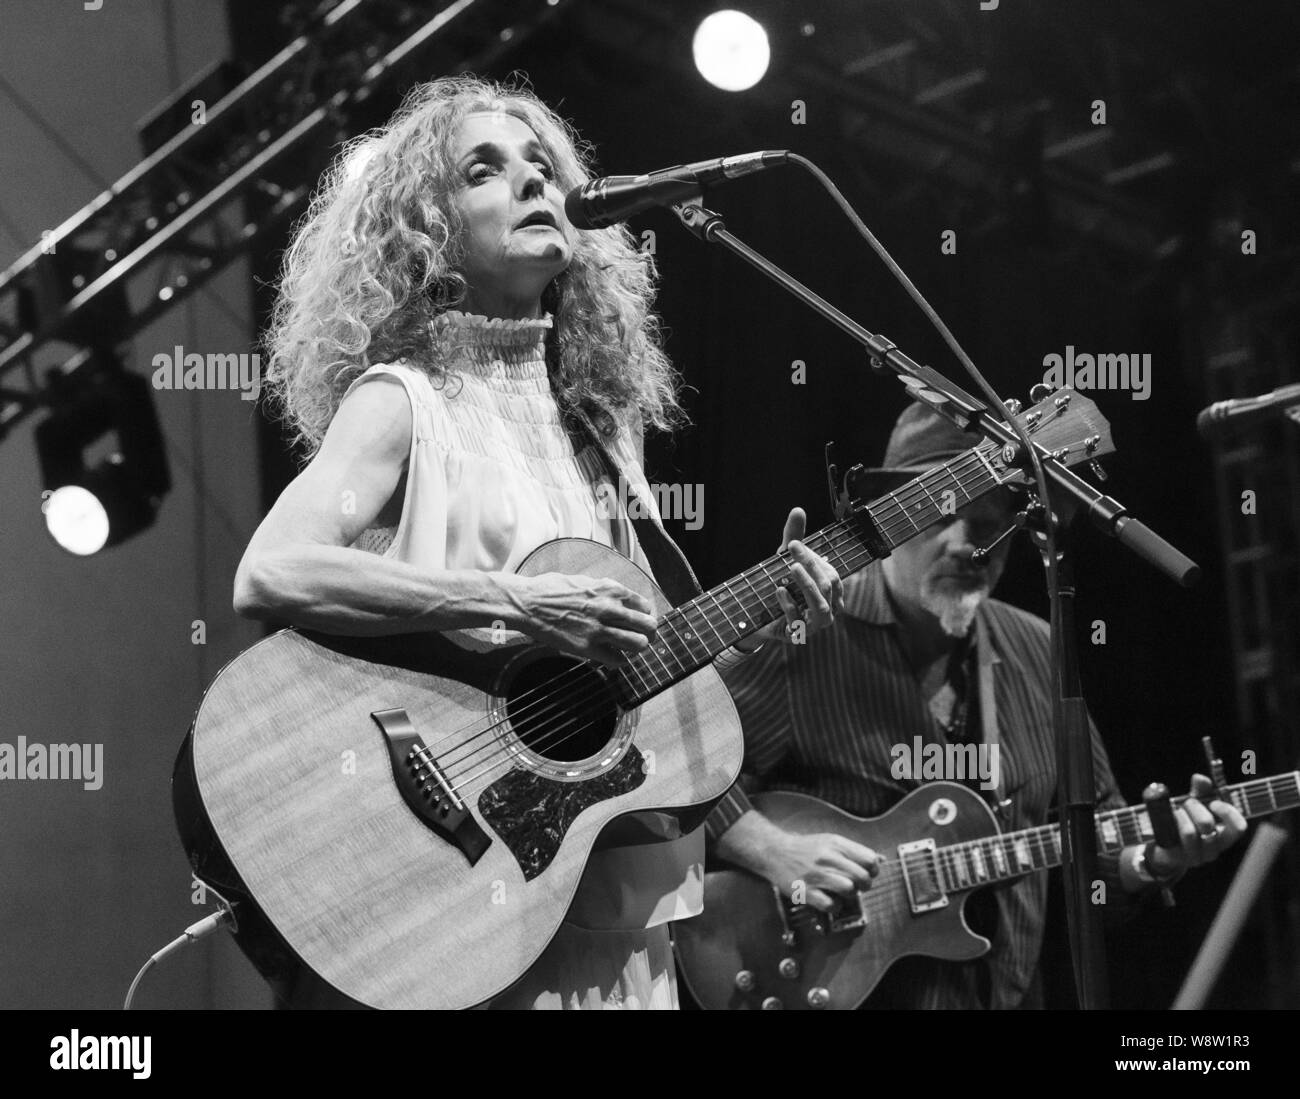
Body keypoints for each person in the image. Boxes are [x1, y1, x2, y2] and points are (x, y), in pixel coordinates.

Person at [231, 74, 843, 1010]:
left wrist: (752, 628)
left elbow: (635, 661)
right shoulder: (402, 400)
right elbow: (272, 572)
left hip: (619, 893)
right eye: (484, 169)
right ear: (427, 228)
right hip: (468, 885)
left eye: (543, 167)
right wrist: (515, 602)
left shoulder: (603, 422)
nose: (531, 182)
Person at [705, 402, 1247, 1009]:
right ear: (887, 522)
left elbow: (1092, 855)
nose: (969, 546)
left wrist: (1157, 857)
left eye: (990, 522)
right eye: (942, 518)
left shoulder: (1038, 648)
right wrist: (770, 848)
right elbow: (671, 764)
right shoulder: (805, 635)